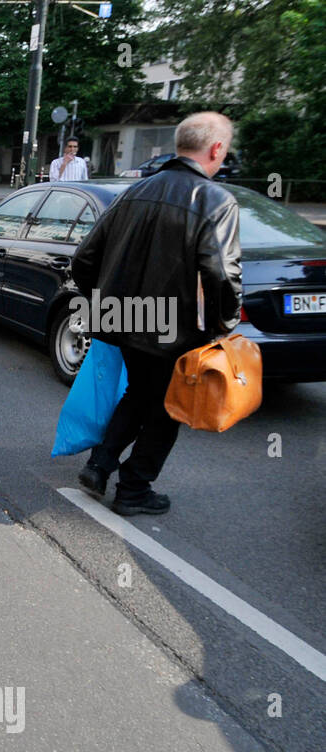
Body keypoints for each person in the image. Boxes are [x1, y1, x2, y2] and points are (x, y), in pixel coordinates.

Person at [71, 111, 242, 515]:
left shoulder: (133, 192)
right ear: (216, 149)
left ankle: (99, 465)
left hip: (126, 317)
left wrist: (107, 301)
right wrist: (225, 326)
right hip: (176, 328)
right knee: (170, 408)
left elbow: (84, 259)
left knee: (140, 391)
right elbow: (221, 274)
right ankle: (133, 490)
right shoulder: (216, 200)